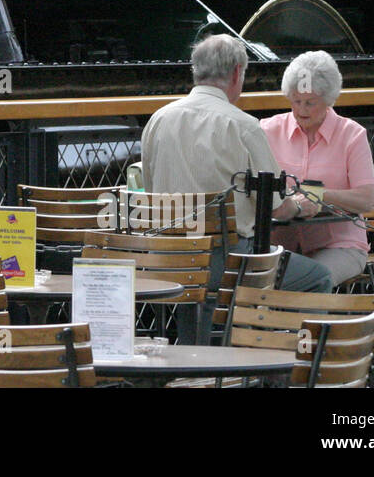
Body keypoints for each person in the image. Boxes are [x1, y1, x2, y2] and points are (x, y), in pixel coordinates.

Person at [141, 34, 332, 342]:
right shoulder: (242, 126)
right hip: (226, 261)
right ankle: (285, 366)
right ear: (235, 73)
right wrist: (299, 204)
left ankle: (197, 362)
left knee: (200, 280)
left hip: (168, 259)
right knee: (318, 277)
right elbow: (276, 206)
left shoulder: (158, 120)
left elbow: (151, 193)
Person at [261, 50, 374, 287]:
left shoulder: (352, 135)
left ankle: (308, 326)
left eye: (310, 102)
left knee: (312, 279)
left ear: (328, 100)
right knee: (256, 279)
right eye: (295, 101)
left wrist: (319, 195)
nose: (301, 109)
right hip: (282, 244)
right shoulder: (268, 130)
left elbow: (366, 200)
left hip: (339, 245)